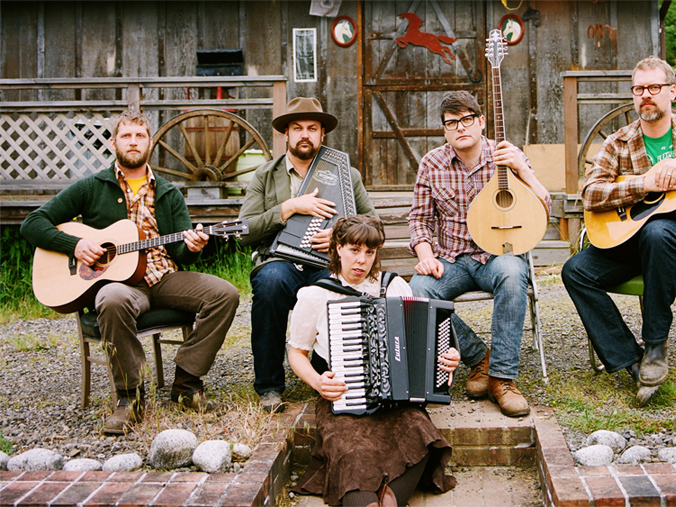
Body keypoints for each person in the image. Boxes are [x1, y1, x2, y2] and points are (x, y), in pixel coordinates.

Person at [21, 109, 240, 435]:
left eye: (140, 136)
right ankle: (130, 396)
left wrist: (193, 247)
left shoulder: (168, 192)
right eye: (126, 135)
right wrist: (75, 246)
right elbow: (32, 223)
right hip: (121, 283)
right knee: (109, 297)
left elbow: (182, 252)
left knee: (225, 294)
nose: (134, 142)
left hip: (164, 277)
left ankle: (187, 384)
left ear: (150, 142)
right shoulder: (91, 187)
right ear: (114, 142)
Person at [561, 56, 676, 406]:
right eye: (639, 89)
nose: (646, 95)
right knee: (575, 271)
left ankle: (655, 345)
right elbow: (589, 194)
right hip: (631, 241)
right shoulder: (618, 141)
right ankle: (631, 360)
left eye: (654, 88)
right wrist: (644, 184)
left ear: (672, 92)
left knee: (659, 233)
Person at [288, 215, 459, 507]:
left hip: (397, 401)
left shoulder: (393, 288)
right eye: (354, 250)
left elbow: (426, 351)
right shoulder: (315, 295)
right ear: (337, 248)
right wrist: (317, 382)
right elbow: (297, 352)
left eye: (370, 252)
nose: (362, 260)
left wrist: (447, 362)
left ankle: (389, 499)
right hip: (344, 397)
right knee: (353, 453)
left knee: (421, 434)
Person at [407, 91, 550, 418]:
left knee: (514, 274)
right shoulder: (433, 163)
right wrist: (426, 253)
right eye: (451, 123)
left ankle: (502, 378)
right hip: (451, 258)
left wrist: (523, 171)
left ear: (482, 121)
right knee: (416, 292)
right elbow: (419, 218)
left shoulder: (506, 154)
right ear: (444, 130)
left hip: (498, 254)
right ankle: (477, 357)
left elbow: (545, 207)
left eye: (467, 119)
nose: (460, 127)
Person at [237, 97, 376, 413]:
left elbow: (373, 222)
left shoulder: (345, 174)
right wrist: (287, 208)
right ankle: (270, 386)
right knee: (270, 284)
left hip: (326, 263)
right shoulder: (265, 175)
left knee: (338, 287)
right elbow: (245, 231)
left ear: (322, 134)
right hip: (280, 262)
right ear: (285, 133)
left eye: (312, 128)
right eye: (297, 127)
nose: (305, 134)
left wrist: (341, 233)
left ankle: (332, 376)